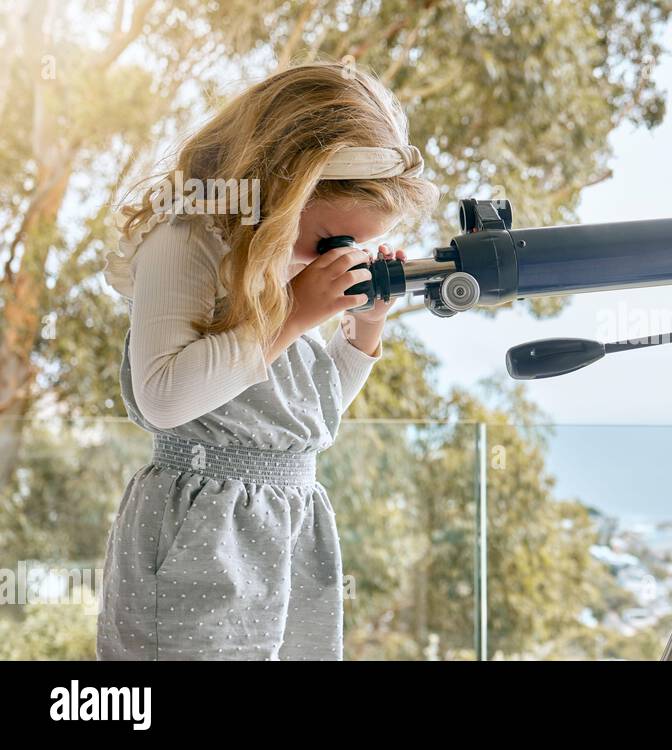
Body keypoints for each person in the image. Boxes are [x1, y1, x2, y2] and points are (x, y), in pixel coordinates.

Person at [96, 61, 435, 659]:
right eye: (331, 241)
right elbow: (165, 396)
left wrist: (364, 327)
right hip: (200, 530)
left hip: (289, 530)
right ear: (282, 190)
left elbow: (301, 415)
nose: (334, 259)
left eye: (354, 248)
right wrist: (295, 316)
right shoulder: (187, 241)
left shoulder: (283, 261)